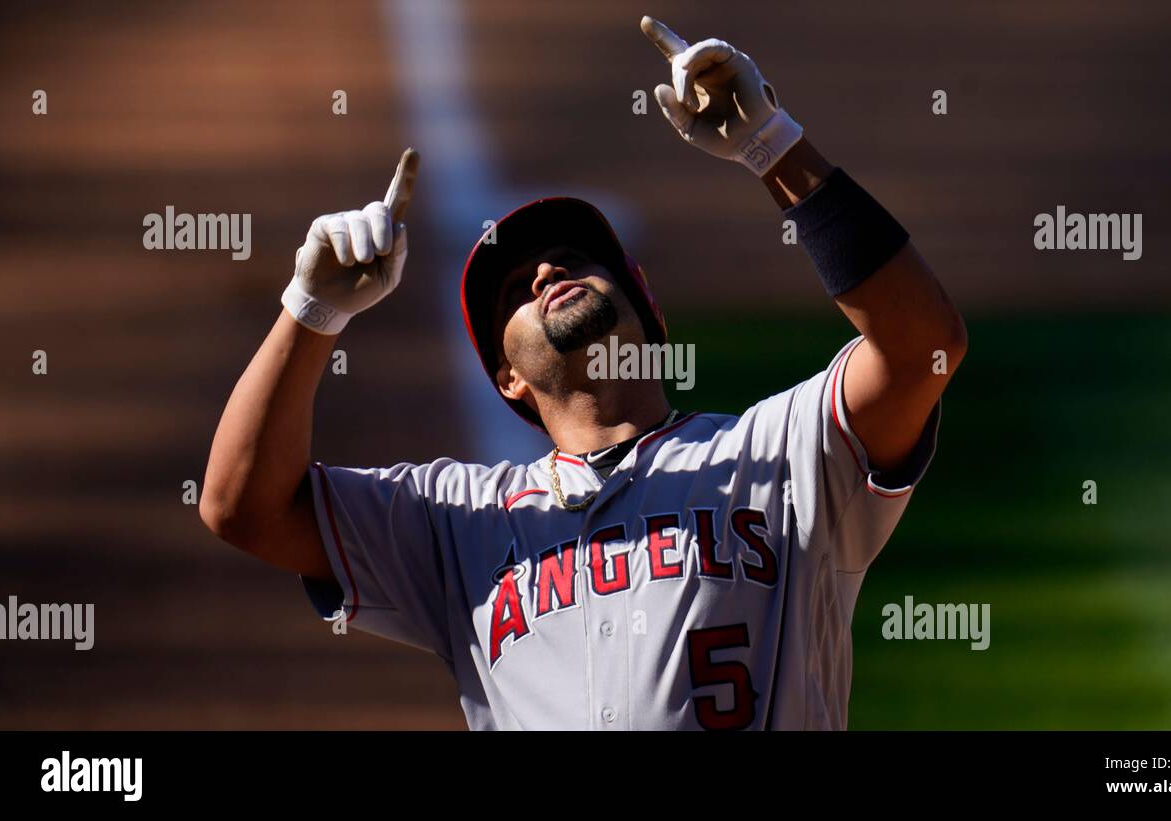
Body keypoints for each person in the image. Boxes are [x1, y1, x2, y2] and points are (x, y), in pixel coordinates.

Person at [200, 16, 966, 730]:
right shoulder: (456, 522)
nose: (543, 271)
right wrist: (309, 311)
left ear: (650, 316)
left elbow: (922, 345)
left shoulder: (778, 457)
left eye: (574, 260)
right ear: (508, 379)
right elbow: (241, 506)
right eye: (514, 290)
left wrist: (773, 144)